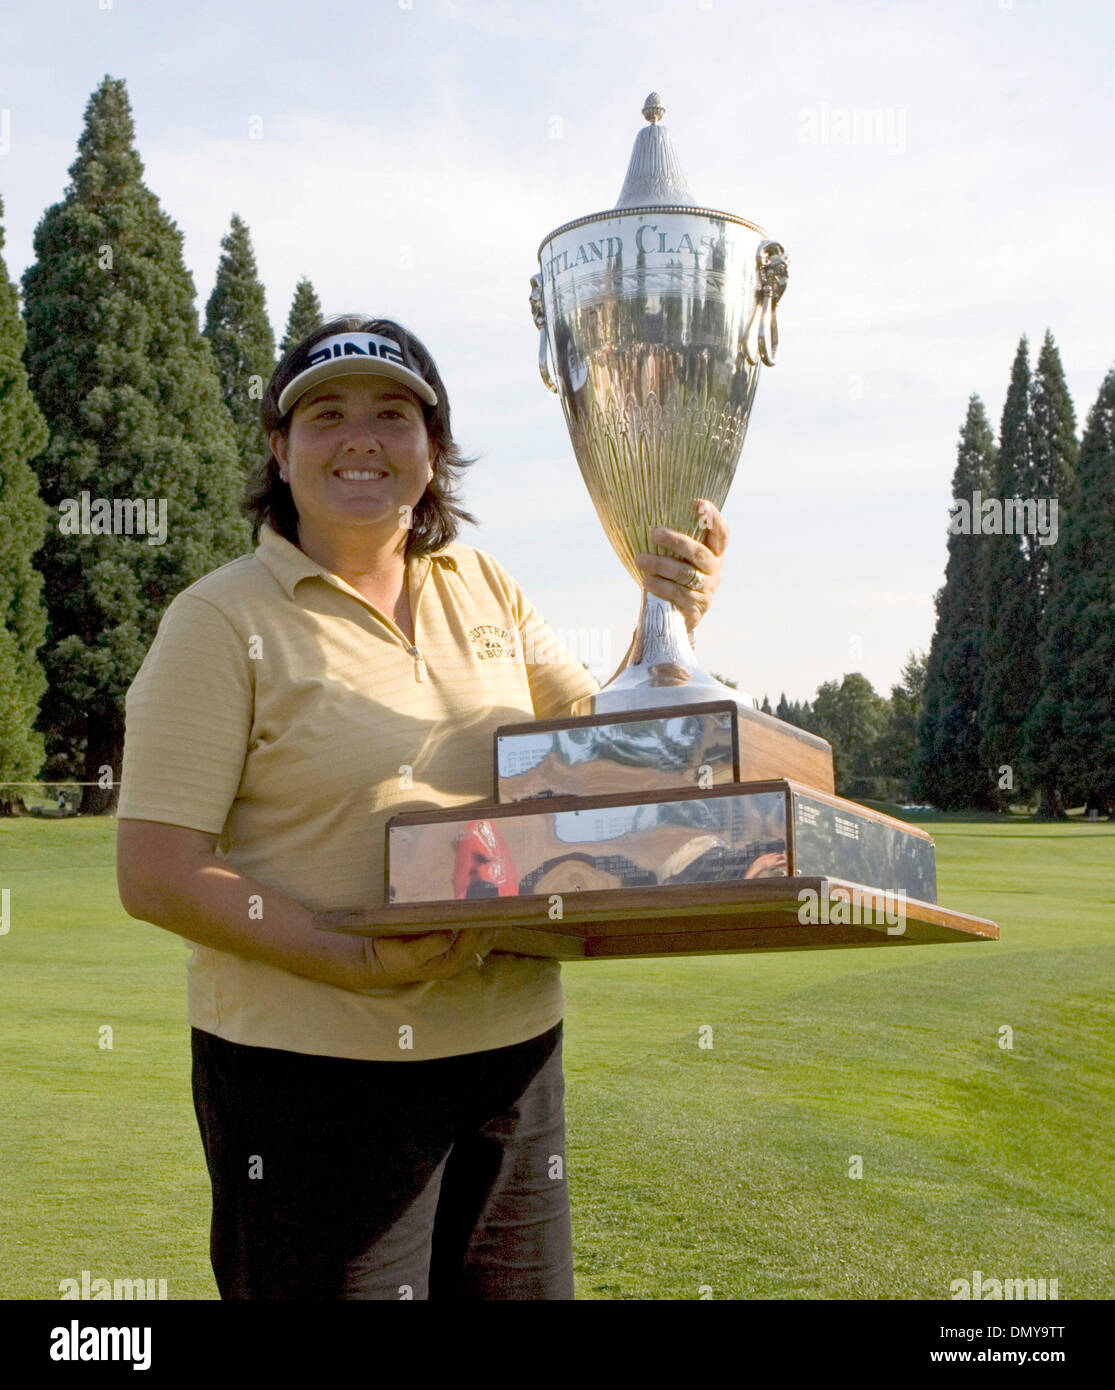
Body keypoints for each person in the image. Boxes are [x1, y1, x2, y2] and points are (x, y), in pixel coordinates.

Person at [115, 314, 728, 1301]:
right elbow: (155, 869)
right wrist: (349, 956)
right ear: (279, 448)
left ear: (433, 450)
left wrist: (668, 626)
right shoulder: (219, 619)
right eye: (325, 414)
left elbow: (591, 756)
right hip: (306, 1082)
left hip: (509, 1062)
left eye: (392, 414)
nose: (360, 436)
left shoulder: (485, 587)